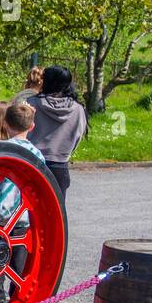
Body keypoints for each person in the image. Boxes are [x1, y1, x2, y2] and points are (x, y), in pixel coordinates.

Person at [0, 102, 44, 303]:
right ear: (32, 126)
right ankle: (15, 302)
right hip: (21, 219)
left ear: (6, 124)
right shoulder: (37, 155)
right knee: (19, 265)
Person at [27, 65, 86, 207]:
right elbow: (78, 135)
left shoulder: (32, 104)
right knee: (56, 215)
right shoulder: (78, 109)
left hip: (32, 163)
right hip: (60, 166)